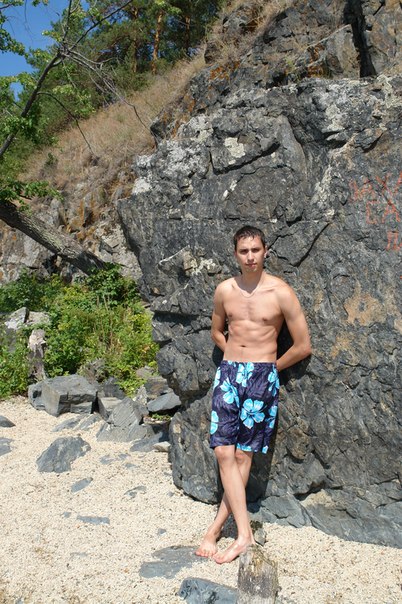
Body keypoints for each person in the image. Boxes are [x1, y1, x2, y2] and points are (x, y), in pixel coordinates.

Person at [195, 225, 311, 564]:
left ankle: (220, 528)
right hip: (229, 373)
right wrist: (233, 356)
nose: (250, 257)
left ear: (265, 251)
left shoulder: (280, 292)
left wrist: (270, 368)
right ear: (235, 254)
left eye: (255, 250)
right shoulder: (225, 290)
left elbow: (302, 345)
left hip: (262, 376)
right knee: (223, 451)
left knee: (243, 456)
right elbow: (217, 331)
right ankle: (242, 533)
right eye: (244, 251)